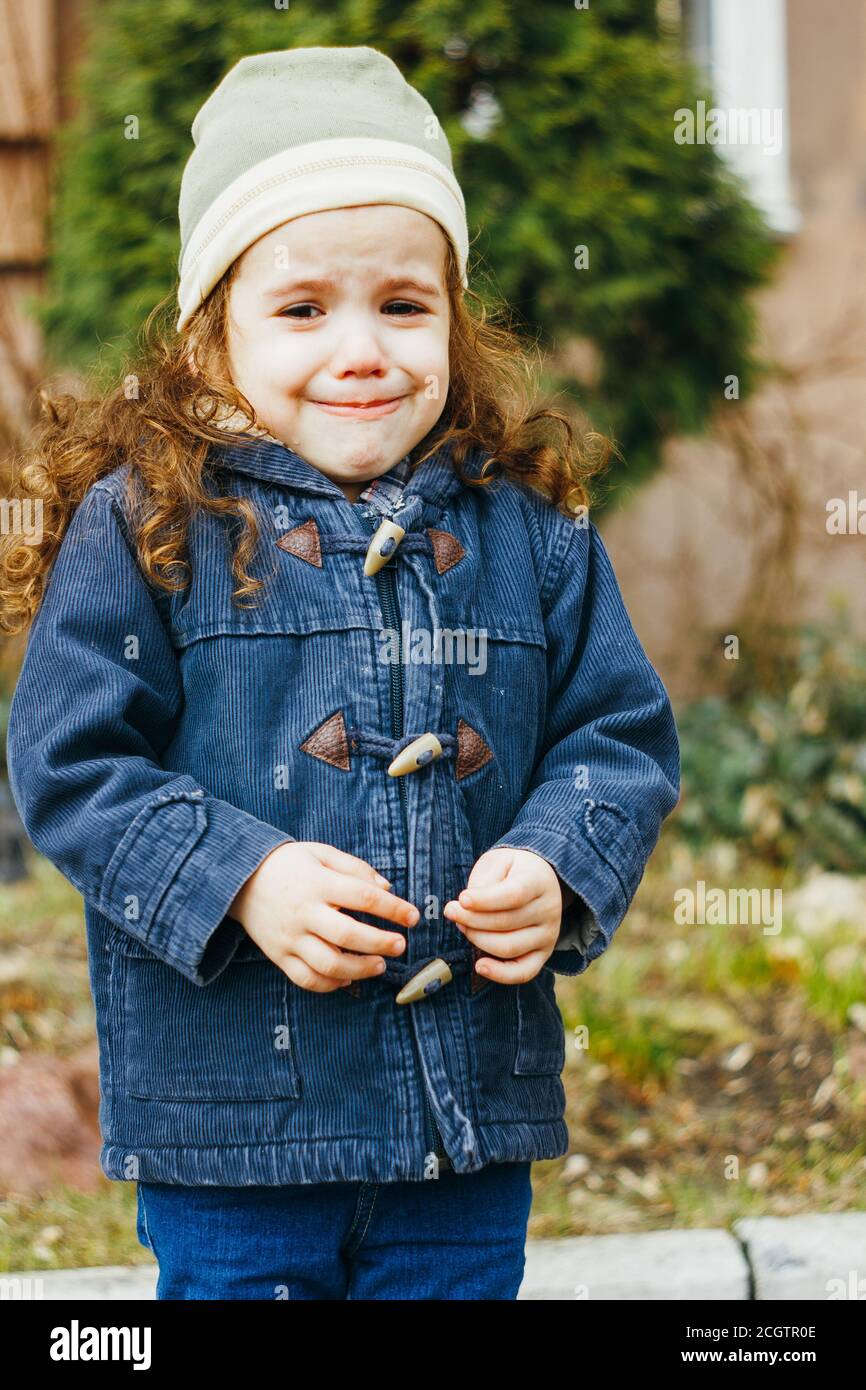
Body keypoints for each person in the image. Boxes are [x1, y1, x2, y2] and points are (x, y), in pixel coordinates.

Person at [2, 45, 680, 1299]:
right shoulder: (148, 522)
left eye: (403, 304)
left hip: (465, 1123)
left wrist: (556, 861)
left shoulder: (530, 528)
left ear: (453, 320)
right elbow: (68, 759)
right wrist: (239, 873)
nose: (361, 348)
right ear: (212, 338)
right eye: (303, 308)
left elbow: (618, 732)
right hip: (235, 1138)